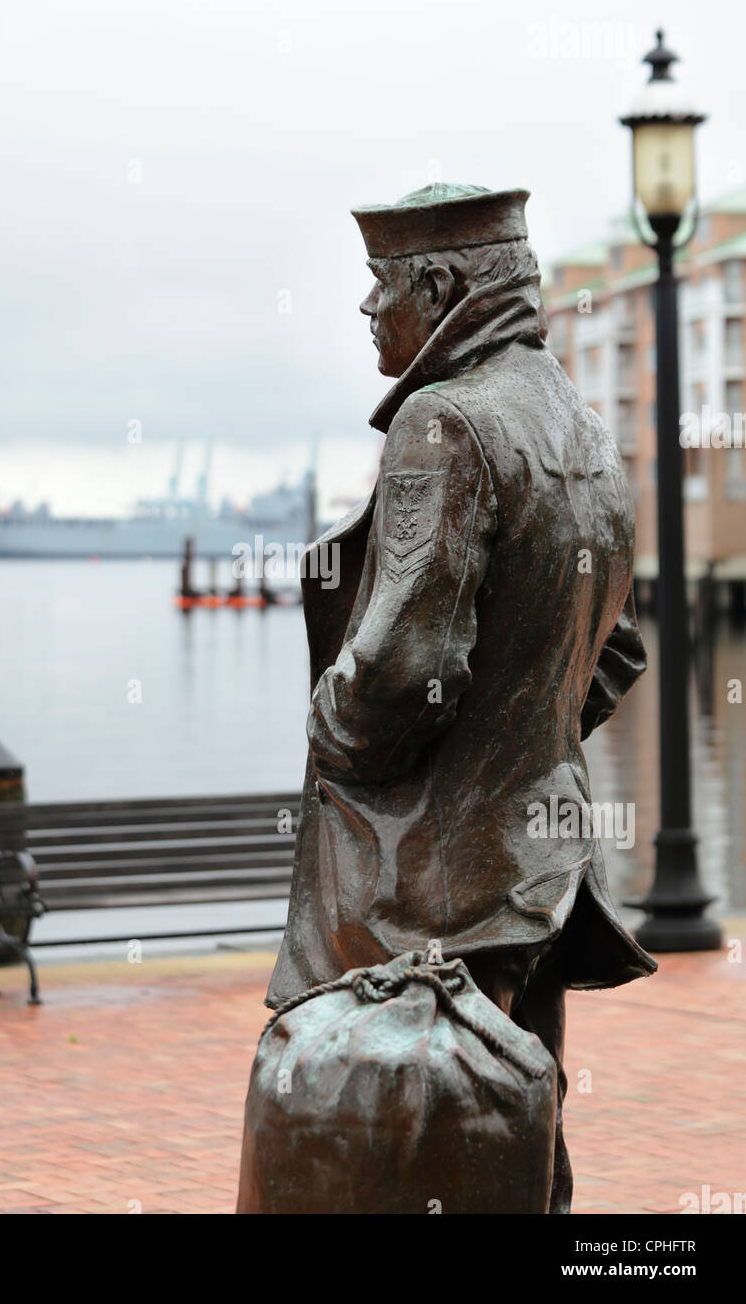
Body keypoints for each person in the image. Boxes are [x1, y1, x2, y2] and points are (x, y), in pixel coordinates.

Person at [266, 182, 657, 1213]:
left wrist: (326, 722)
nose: (364, 313)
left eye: (375, 287)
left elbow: (399, 675)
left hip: (422, 894)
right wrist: (519, 729)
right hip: (536, 876)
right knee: (512, 1143)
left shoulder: (442, 424)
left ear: (437, 285)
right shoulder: (574, 421)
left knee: (396, 1163)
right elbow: (612, 650)